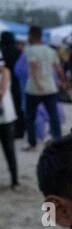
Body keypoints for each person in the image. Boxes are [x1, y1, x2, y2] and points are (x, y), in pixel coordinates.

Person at [20, 24, 63, 150]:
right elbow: (58, 68)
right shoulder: (51, 50)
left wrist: (38, 84)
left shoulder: (29, 50)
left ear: (31, 36)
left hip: (33, 89)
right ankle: (58, 140)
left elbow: (33, 68)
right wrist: (63, 81)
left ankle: (32, 143)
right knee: (53, 115)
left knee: (30, 116)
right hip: (50, 87)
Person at [0, 55, 17, 187]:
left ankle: (14, 180)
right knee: (9, 149)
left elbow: (1, 91)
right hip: (6, 116)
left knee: (9, 149)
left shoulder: (5, 72)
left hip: (6, 116)